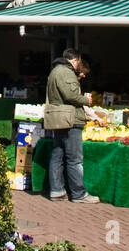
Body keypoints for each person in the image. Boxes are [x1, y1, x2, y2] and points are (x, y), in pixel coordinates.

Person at [43, 48, 100, 203]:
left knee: (57, 155)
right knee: (74, 158)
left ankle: (57, 190)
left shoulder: (54, 71)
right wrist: (86, 100)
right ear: (75, 60)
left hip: (59, 119)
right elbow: (71, 95)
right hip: (70, 119)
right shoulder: (66, 72)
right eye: (78, 62)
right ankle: (79, 194)